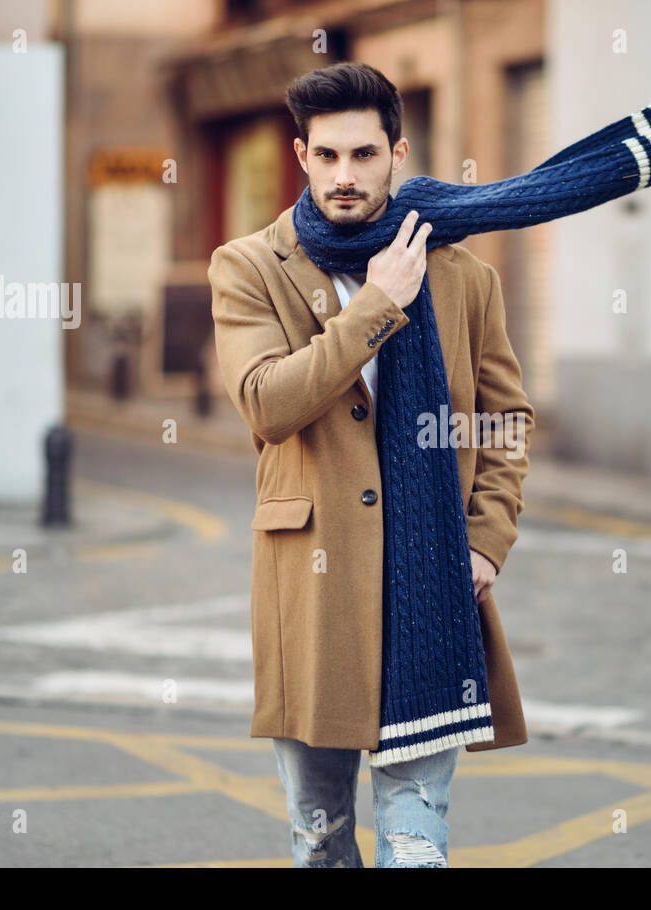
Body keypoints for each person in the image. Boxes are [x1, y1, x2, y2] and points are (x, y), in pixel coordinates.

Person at [209, 61, 536, 868]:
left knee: (414, 842)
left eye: (363, 154)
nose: (344, 175)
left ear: (398, 153)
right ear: (301, 155)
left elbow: (505, 419)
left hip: (432, 592)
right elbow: (268, 402)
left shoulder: (464, 277)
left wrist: (487, 539)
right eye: (326, 155)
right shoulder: (249, 267)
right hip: (314, 595)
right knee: (321, 841)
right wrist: (377, 305)